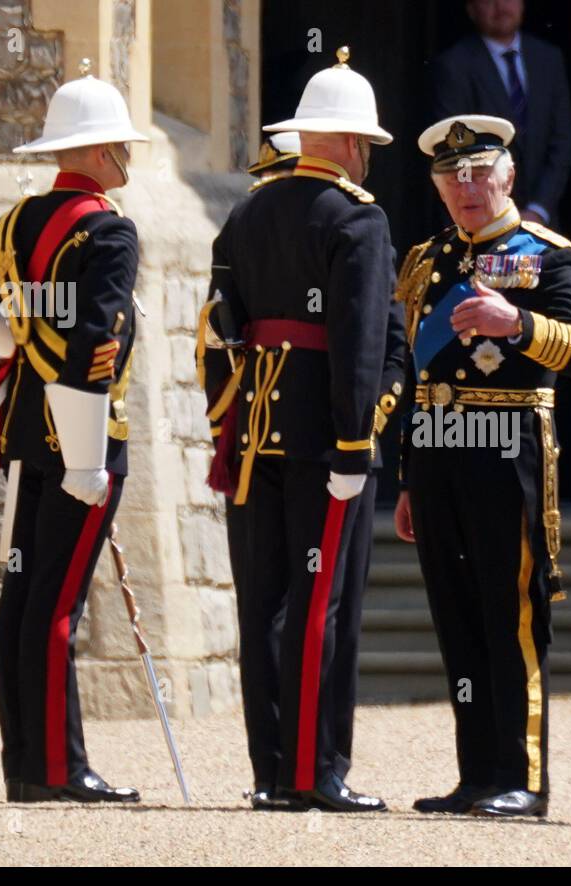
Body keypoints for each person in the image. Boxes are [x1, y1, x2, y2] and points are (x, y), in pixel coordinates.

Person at [0, 63, 148, 803]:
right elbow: (99, 339)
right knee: (54, 606)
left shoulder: (15, 224)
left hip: (25, 433)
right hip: (81, 442)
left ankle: (24, 763)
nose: (128, 155)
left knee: (23, 598)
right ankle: (60, 769)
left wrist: (1, 334)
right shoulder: (109, 234)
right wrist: (88, 458)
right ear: (95, 154)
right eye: (119, 144)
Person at [198, 48, 398, 813]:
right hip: (324, 441)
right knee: (322, 606)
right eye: (368, 146)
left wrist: (231, 418)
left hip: (255, 434)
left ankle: (271, 768)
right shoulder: (357, 219)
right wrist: (355, 441)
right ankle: (314, 775)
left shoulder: (246, 212)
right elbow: (359, 344)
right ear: (350, 144)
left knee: (266, 603)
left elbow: (219, 328)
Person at [393, 115, 571, 818]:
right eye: (452, 177)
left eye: (480, 173)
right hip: (436, 452)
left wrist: (515, 324)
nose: (466, 187)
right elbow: (411, 373)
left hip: (506, 450)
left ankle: (524, 777)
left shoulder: (544, 255)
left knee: (509, 616)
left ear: (508, 177)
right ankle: (476, 772)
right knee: (456, 616)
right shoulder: (426, 258)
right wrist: (404, 476)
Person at [431, 0, 571, 226]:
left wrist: (539, 209)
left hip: (543, 224)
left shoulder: (548, 58)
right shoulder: (454, 65)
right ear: (471, 9)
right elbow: (454, 150)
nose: (501, 7)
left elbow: (562, 142)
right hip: (482, 222)